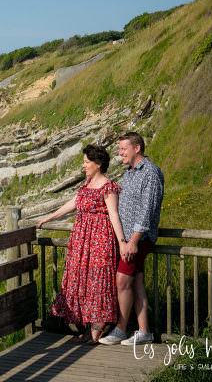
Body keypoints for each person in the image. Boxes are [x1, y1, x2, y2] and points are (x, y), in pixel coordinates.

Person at [36, 144, 126, 344]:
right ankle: (88, 328)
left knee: (98, 282)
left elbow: (114, 215)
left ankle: (96, 329)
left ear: (98, 164)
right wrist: (49, 218)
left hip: (100, 240)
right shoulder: (86, 185)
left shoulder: (108, 187)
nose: (83, 165)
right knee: (83, 282)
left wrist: (121, 242)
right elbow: (72, 204)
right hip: (81, 241)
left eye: (87, 162)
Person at [99, 132, 164, 346]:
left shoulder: (151, 173)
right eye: (119, 150)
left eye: (123, 149)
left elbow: (147, 211)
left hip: (138, 239)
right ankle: (144, 332)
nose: (120, 153)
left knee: (122, 280)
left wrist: (133, 241)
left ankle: (120, 328)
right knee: (136, 283)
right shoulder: (130, 172)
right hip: (127, 240)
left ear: (137, 148)